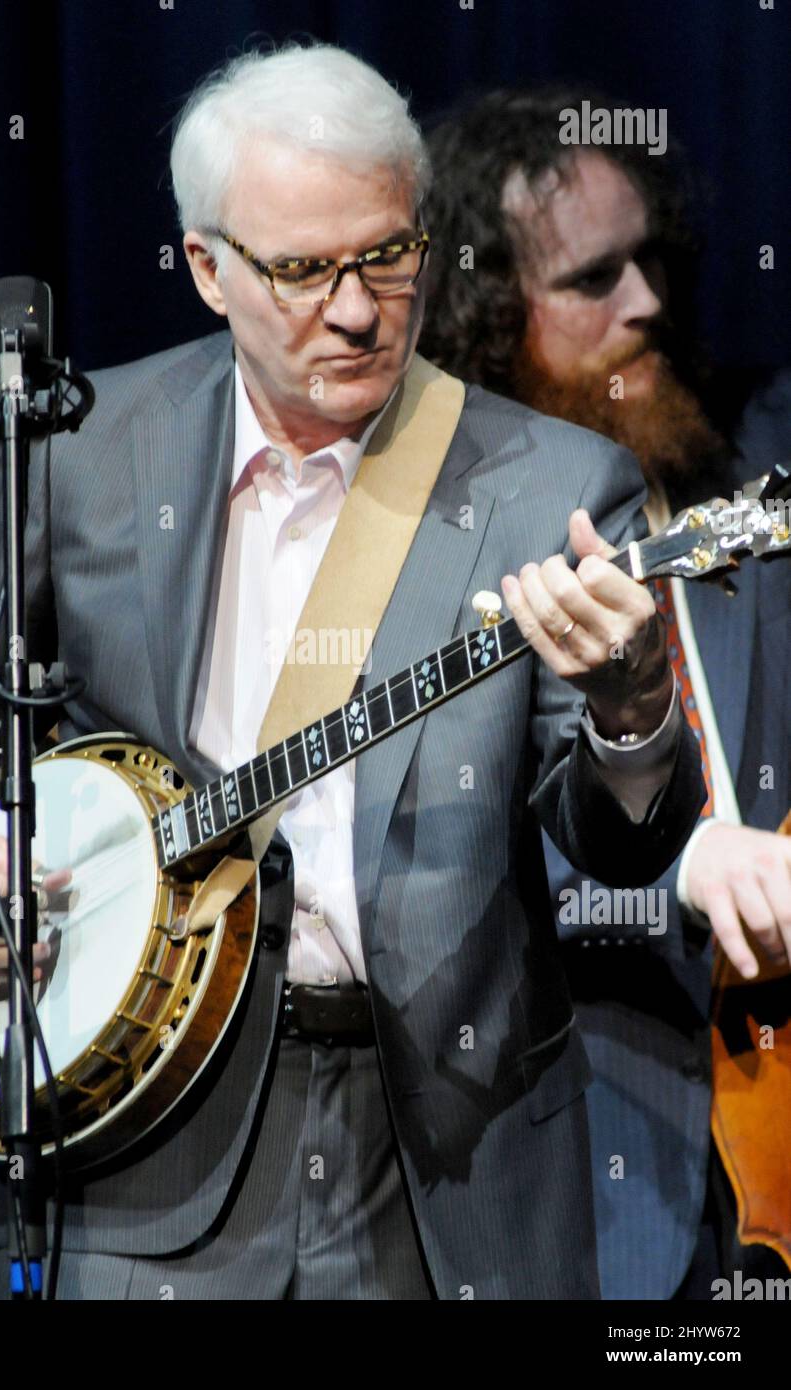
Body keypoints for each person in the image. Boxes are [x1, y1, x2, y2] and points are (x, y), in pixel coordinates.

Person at [0, 48, 705, 1302]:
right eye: (302, 271)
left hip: (442, 1162)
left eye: (386, 256)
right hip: (136, 1138)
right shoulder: (82, 456)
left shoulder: (553, 486)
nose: (355, 311)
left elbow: (616, 846)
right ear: (207, 268)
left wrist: (632, 709)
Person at [419, 86, 791, 1300]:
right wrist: (682, 861)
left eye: (653, 261)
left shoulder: (758, 451)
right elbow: (431, 843)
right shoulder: (429, 537)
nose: (646, 304)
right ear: (483, 312)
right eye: (591, 279)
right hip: (593, 1144)